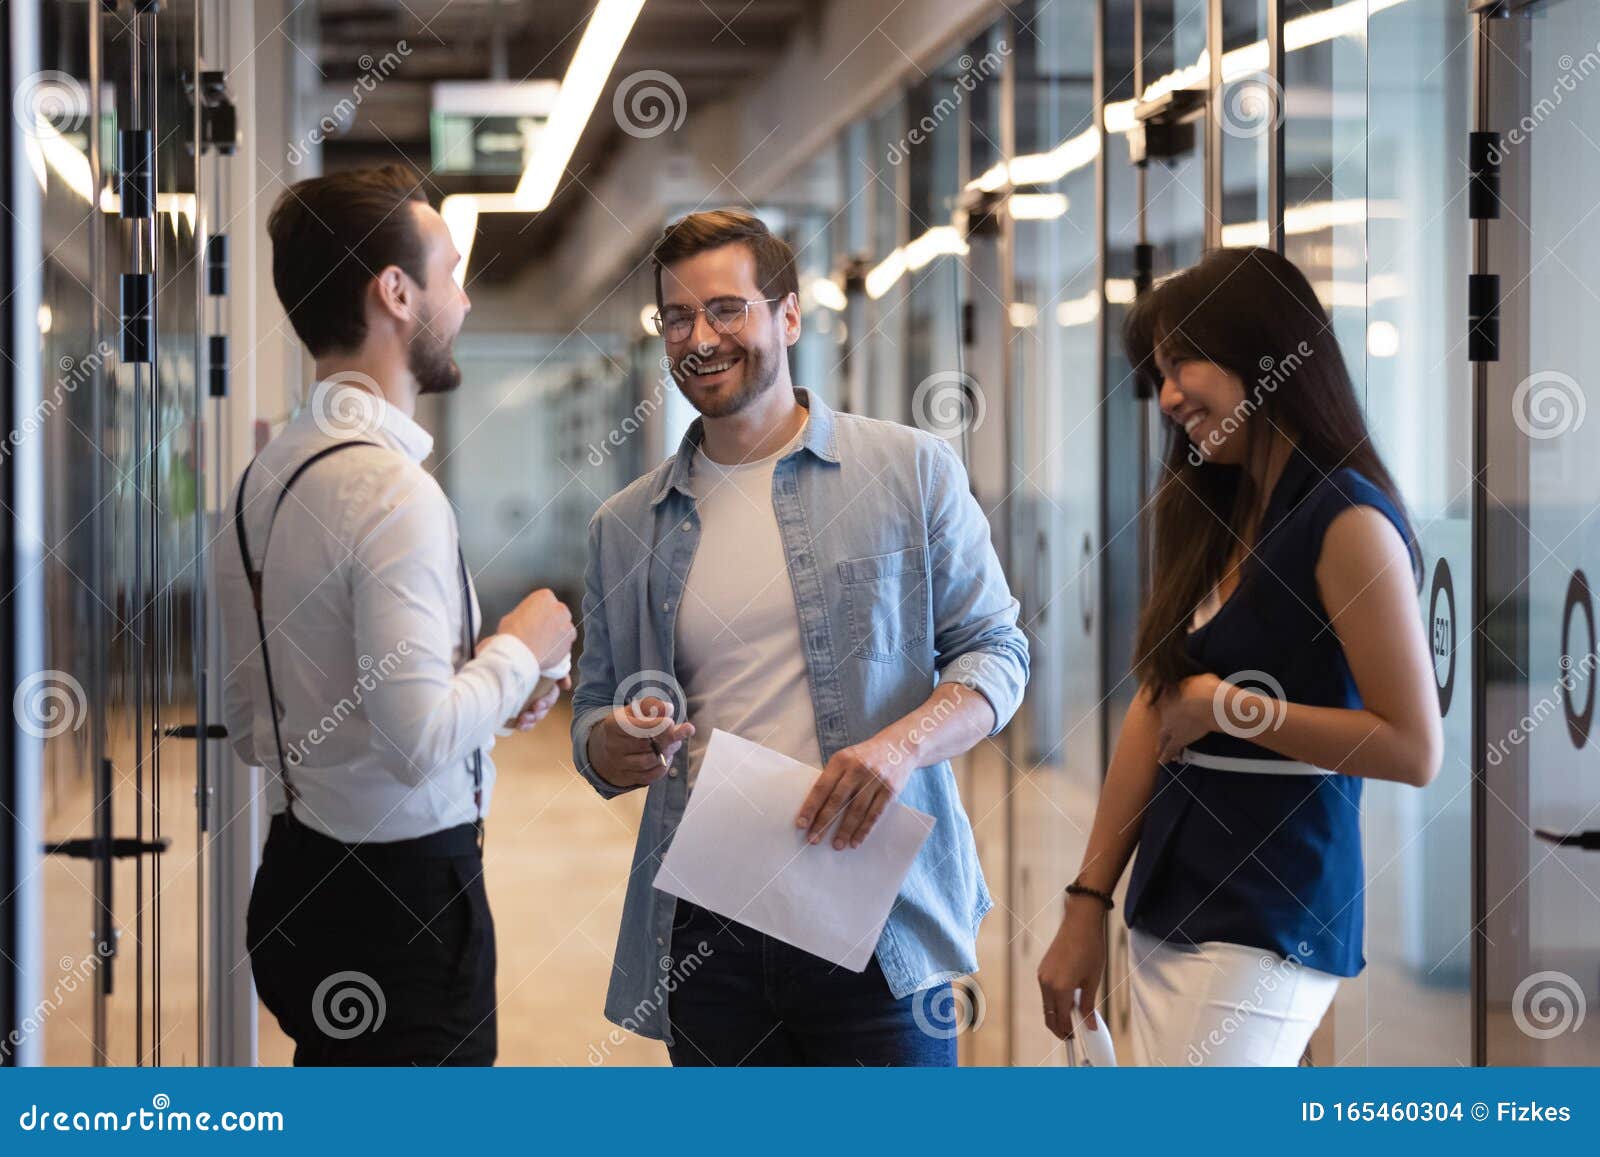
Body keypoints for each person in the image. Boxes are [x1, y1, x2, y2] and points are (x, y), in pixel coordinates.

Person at [569, 209, 1029, 1065]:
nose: (699, 337)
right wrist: (610, 745)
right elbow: (593, 713)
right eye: (677, 317)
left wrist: (899, 748)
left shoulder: (909, 471)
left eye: (726, 309)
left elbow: (998, 653)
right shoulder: (625, 527)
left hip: (877, 915)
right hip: (711, 927)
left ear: (786, 316)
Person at [1036, 246, 1442, 1066]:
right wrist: (1088, 900)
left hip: (1272, 912)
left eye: (1184, 361)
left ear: (1266, 351)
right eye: (1159, 377)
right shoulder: (1218, 514)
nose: (1170, 396)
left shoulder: (1345, 520)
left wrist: (1227, 708)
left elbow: (1412, 745)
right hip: (1172, 897)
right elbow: (1156, 709)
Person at [215, 164, 577, 1066]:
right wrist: (518, 652)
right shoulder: (390, 493)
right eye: (451, 273)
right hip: (404, 909)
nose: (465, 302)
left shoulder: (267, 476)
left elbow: (259, 728)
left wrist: (484, 691)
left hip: (301, 879)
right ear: (396, 292)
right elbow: (415, 739)